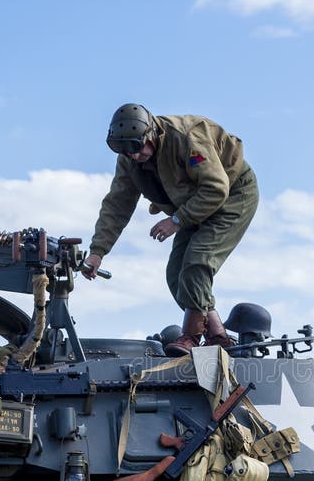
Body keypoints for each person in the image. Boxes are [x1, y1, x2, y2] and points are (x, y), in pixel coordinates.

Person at [82, 103, 259, 356]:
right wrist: (98, 251)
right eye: (124, 150)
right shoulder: (129, 160)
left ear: (150, 134)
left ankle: (191, 336)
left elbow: (216, 188)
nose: (134, 155)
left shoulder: (187, 138)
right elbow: (117, 204)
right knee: (177, 275)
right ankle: (218, 335)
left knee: (198, 261)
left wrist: (176, 221)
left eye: (137, 147)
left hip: (232, 194)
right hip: (190, 204)